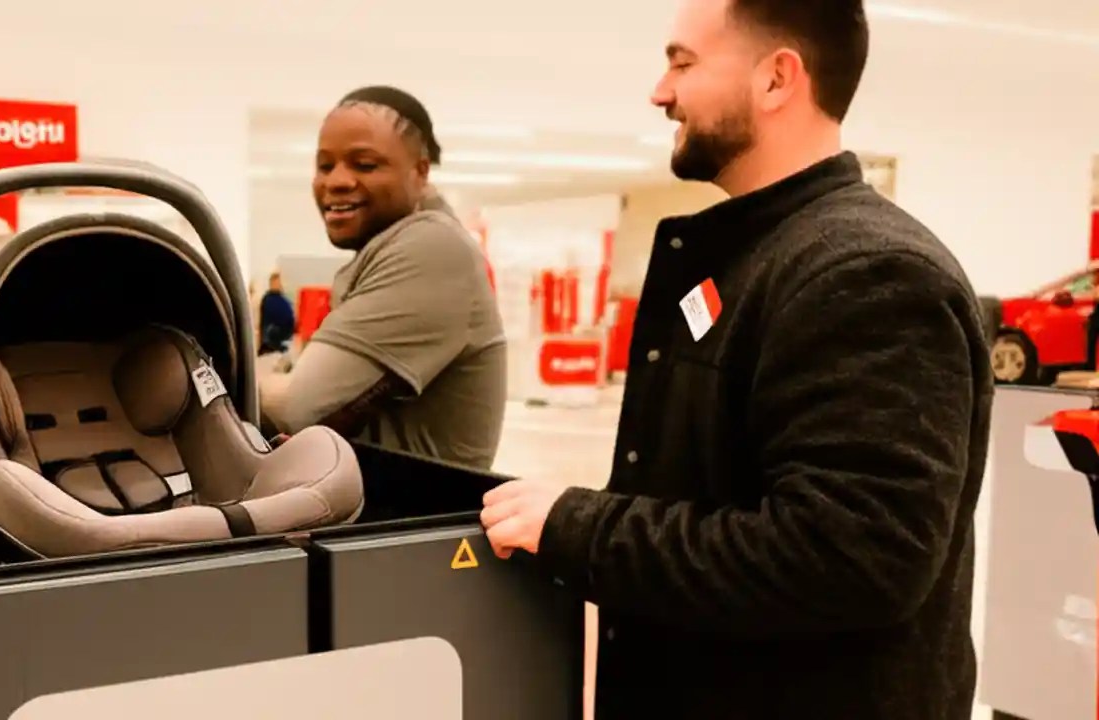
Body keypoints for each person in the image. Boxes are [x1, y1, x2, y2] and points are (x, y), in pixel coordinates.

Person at [479, 0, 993, 717]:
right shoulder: (756, 257)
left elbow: (851, 559)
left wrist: (579, 528)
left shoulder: (868, 273)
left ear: (778, 80)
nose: (660, 92)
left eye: (682, 62)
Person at [258, 85, 507, 470]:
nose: (337, 181)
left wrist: (230, 378)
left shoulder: (433, 247)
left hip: (417, 514)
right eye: (325, 166)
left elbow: (295, 407)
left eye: (365, 164)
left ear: (420, 172)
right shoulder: (392, 245)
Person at [257, 271, 296, 355]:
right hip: (271, 338)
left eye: (279, 282)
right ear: (271, 283)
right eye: (275, 282)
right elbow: (263, 321)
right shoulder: (267, 299)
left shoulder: (284, 299)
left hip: (285, 338)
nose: (278, 284)